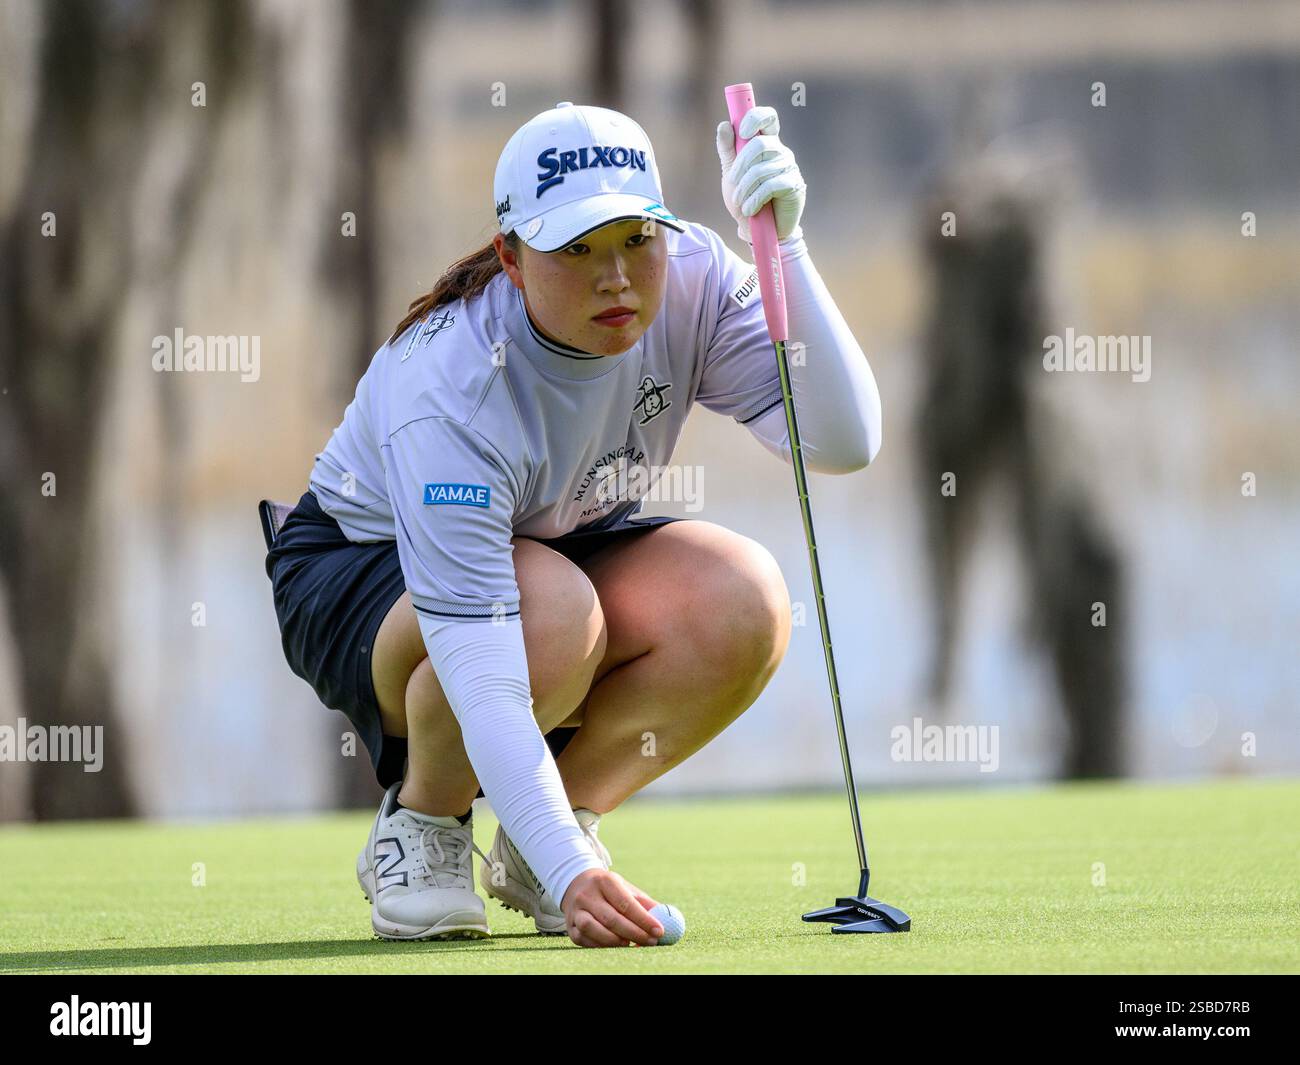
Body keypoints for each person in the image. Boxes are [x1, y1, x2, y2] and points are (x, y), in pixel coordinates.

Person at [264, 101, 882, 948]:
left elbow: (844, 440)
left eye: (636, 238)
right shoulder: (453, 387)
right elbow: (484, 670)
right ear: (513, 259)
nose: (617, 278)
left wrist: (789, 248)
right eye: (577, 249)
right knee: (549, 613)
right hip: (354, 570)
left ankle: (537, 835)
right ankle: (425, 827)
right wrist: (577, 877)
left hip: (550, 539)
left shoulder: (696, 277)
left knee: (745, 599)